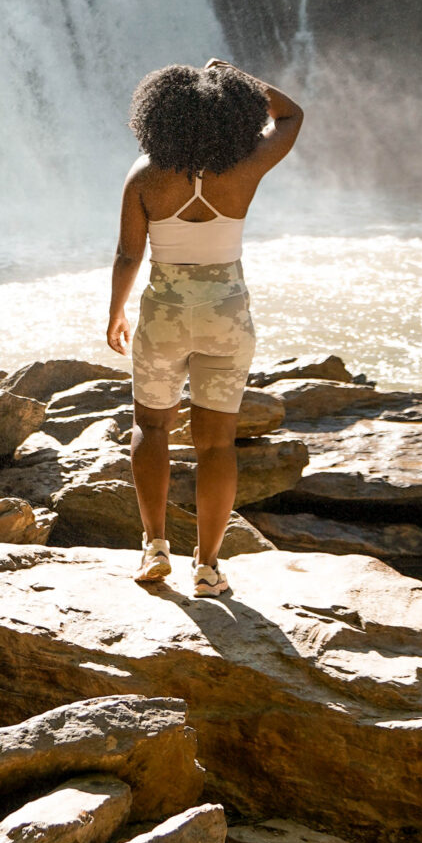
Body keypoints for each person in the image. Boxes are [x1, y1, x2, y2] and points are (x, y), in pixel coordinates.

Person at [106, 58, 304, 595]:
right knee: (217, 445)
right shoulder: (245, 167)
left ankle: (153, 549)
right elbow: (291, 117)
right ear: (231, 116)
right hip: (227, 317)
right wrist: (240, 78)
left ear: (159, 115)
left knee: (150, 427)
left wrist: (115, 313)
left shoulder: (145, 174)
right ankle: (209, 567)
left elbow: (128, 254)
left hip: (164, 316)